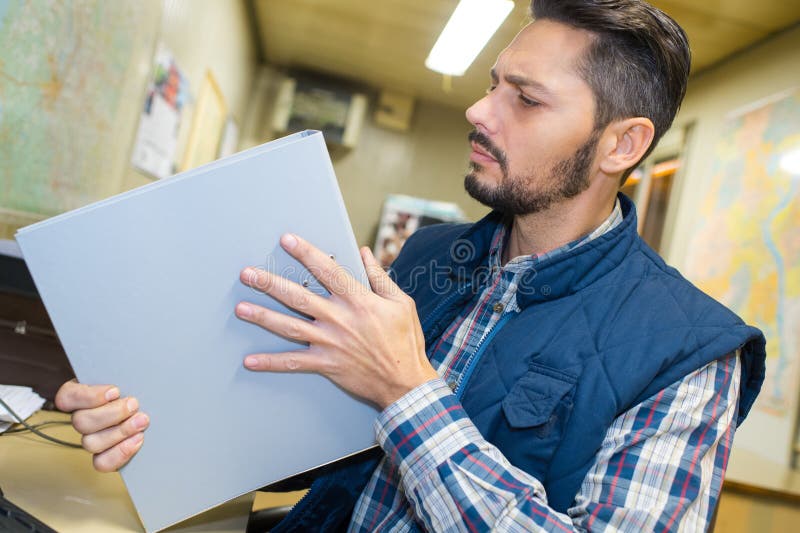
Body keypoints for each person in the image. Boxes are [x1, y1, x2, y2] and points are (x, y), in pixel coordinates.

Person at [55, 0, 766, 531]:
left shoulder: (693, 353)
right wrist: (159, 421)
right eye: (494, 83)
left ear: (621, 145)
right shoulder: (432, 256)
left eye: (525, 98)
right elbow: (324, 446)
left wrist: (408, 390)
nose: (480, 110)